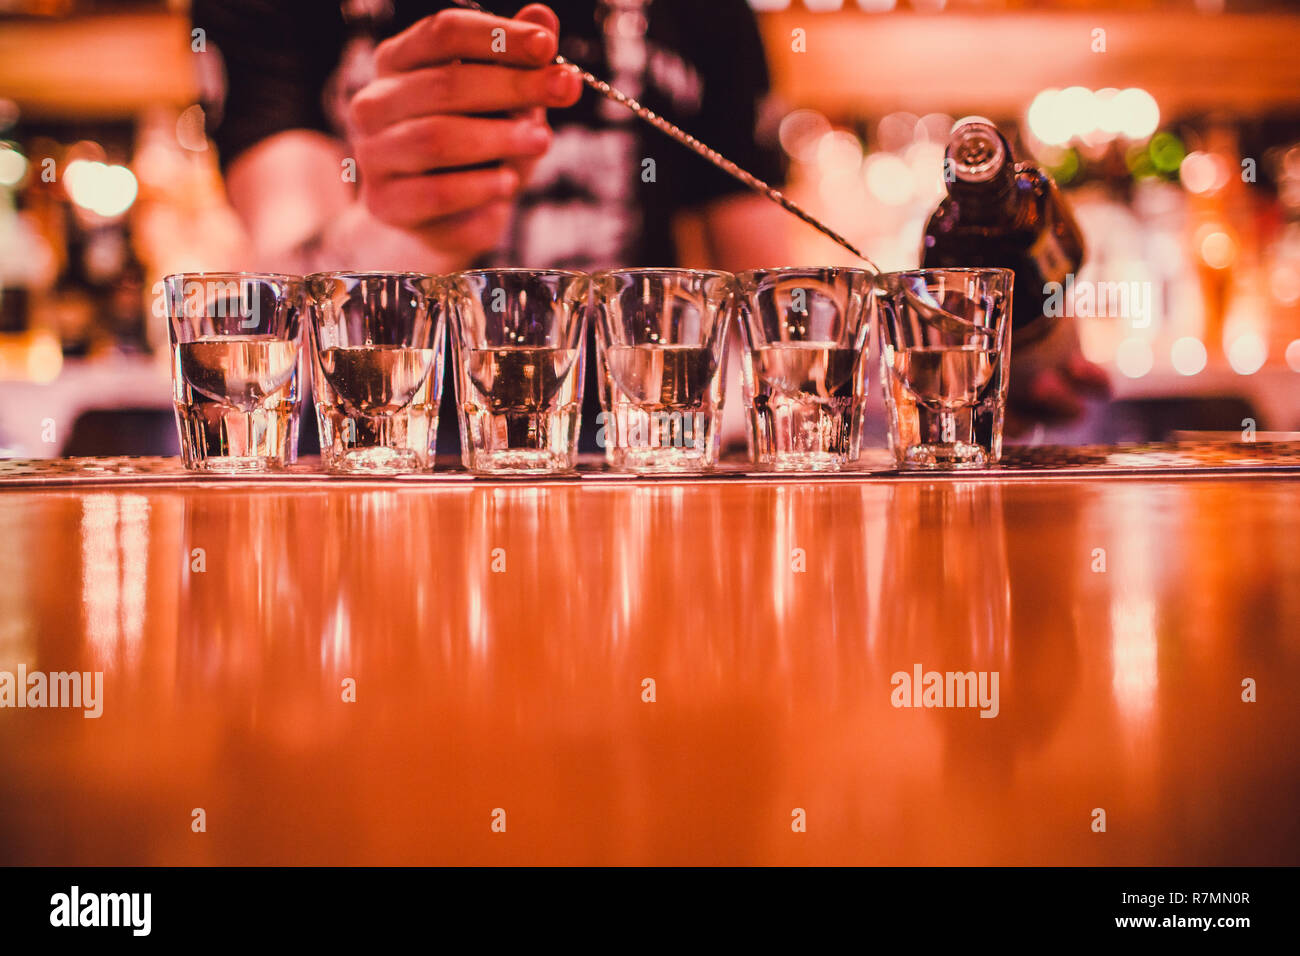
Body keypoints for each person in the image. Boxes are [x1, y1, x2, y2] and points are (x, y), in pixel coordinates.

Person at [193, 0, 1103, 452]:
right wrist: (400, 230)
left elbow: (776, 322)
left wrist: (936, 386)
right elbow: (275, 312)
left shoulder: (699, 12)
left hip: (646, 511)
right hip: (360, 517)